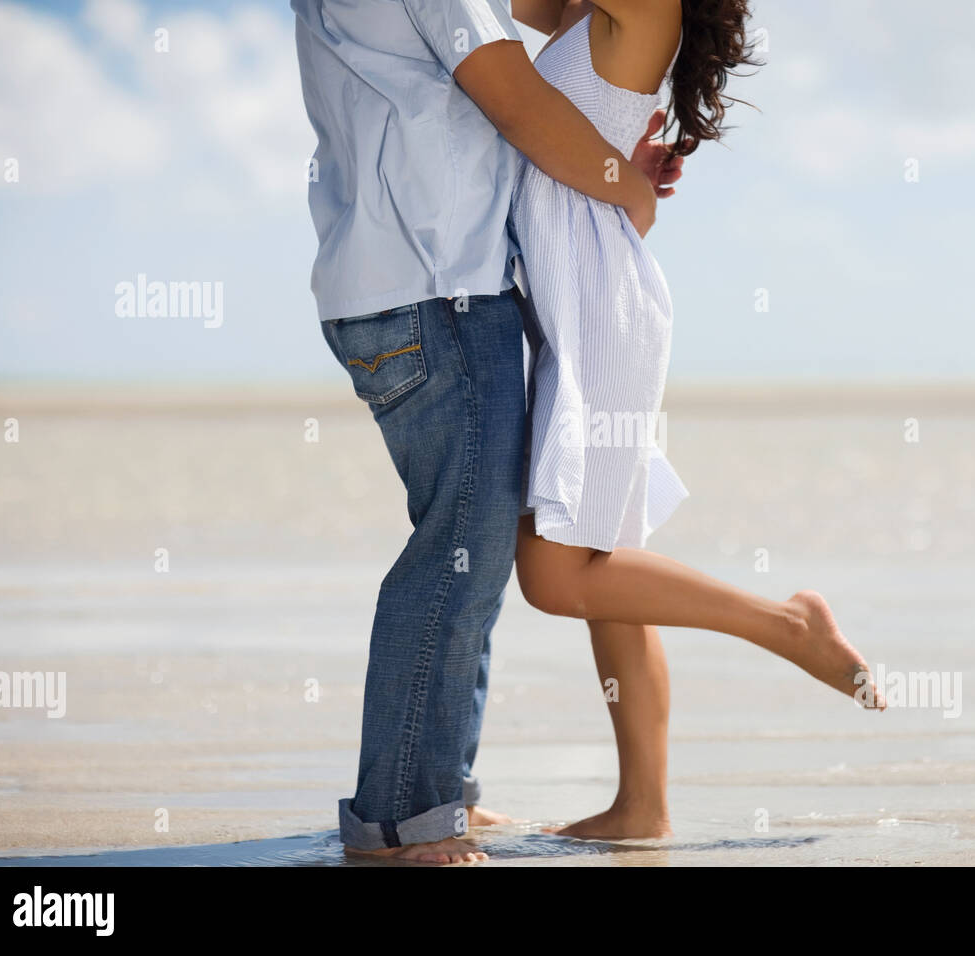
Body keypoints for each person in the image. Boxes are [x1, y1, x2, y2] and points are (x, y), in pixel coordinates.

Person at [291, 0, 683, 865]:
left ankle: (440, 793)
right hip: (440, 291)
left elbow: (496, 79)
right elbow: (512, 100)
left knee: (469, 552)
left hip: (391, 286)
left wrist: (606, 160)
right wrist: (621, 185)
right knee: (457, 550)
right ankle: (406, 818)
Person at [509, 0, 885, 841]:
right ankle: (642, 809)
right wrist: (618, 169)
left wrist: (620, 181)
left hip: (598, 308)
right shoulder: (579, 13)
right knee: (608, 572)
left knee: (556, 576)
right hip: (575, 301)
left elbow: (531, 118)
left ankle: (788, 626)